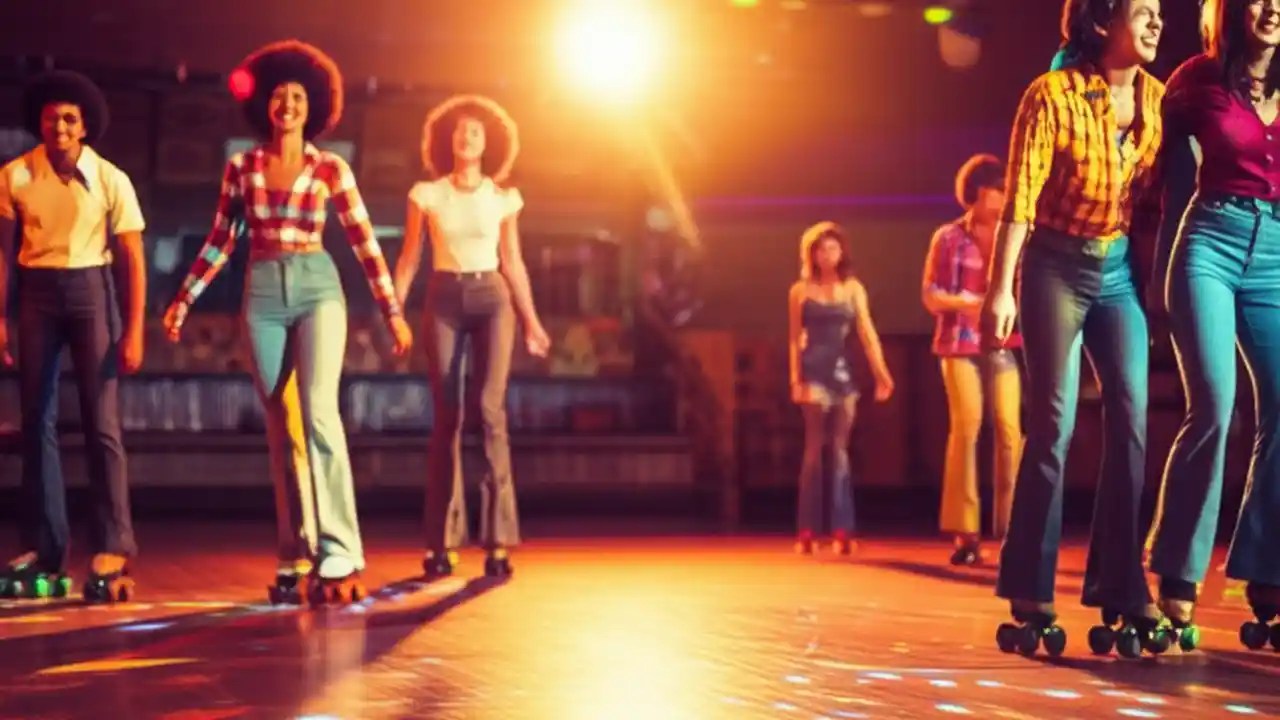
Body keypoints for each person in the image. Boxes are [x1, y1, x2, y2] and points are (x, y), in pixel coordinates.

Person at [163, 41, 412, 604]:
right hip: (262, 293)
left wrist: (392, 311)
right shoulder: (242, 167)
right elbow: (221, 241)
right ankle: (293, 549)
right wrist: (183, 300)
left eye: (299, 96)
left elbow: (364, 243)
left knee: (320, 413)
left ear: (314, 105)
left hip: (318, 287)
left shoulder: (330, 167)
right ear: (266, 106)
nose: (289, 104)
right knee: (282, 428)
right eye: (280, 95)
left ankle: (340, 551)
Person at [983, 0, 1169, 657]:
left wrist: (1157, 291)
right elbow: (1021, 201)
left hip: (1117, 270)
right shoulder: (1051, 95)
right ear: (1100, 23)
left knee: (1133, 419)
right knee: (1053, 424)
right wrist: (1000, 288)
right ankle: (1031, 588)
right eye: (1141, 13)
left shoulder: (1156, 99)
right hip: (1054, 267)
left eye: (1157, 14)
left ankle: (1122, 582)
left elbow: (1151, 208)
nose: (1155, 24)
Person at [1146, 0, 1280, 652]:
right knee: (1216, 405)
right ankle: (1176, 568)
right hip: (1208, 244)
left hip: (1277, 252)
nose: (1272, 6)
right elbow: (1167, 181)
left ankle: (1266, 569)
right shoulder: (1195, 80)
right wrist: (1155, 276)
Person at [0, 70, 146, 603]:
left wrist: (133, 329)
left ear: (84, 126)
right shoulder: (15, 175)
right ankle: (44, 543)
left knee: (100, 422)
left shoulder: (110, 179)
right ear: (38, 121)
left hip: (91, 291)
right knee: (36, 418)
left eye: (69, 118)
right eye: (50, 116)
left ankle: (111, 543)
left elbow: (132, 257)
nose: (59, 126)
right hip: (36, 293)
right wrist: (1, 317)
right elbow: (3, 254)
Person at [393, 94, 550, 579]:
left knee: (489, 411)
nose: (467, 137)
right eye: (460, 130)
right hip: (443, 297)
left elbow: (514, 262)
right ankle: (442, 542)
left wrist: (532, 321)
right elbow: (410, 258)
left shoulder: (503, 198)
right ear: (447, 140)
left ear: (489, 144)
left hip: (493, 298)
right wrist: (392, 310)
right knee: (448, 415)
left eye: (476, 132)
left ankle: (498, 541)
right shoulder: (427, 194)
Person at [922, 154, 1023, 566]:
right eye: (999, 188)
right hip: (959, 344)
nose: (1003, 195)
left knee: (1010, 431)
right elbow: (931, 295)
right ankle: (965, 533)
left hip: (1003, 342)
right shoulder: (948, 237)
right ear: (980, 193)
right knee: (967, 427)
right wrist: (972, 303)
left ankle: (1014, 531)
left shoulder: (1014, 234)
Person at [787, 222, 894, 556]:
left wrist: (882, 374)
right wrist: (795, 379)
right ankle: (806, 530)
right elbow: (793, 339)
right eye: (821, 249)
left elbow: (867, 333)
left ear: (842, 252)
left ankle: (842, 530)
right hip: (813, 372)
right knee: (814, 450)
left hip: (843, 373)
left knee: (840, 452)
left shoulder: (853, 288)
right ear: (811, 254)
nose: (827, 255)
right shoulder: (800, 291)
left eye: (833, 248)